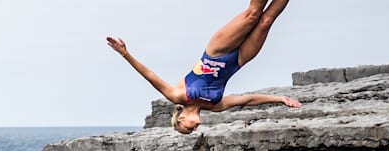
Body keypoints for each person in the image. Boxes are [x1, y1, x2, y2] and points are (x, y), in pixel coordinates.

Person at [107, 0, 301, 134]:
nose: (195, 128)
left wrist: (125, 54)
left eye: (189, 128)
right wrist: (280, 99)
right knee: (266, 21)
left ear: (181, 118)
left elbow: (149, 75)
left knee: (252, 15)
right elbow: (246, 100)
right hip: (239, 60)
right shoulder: (214, 106)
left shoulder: (178, 95)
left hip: (217, 51)